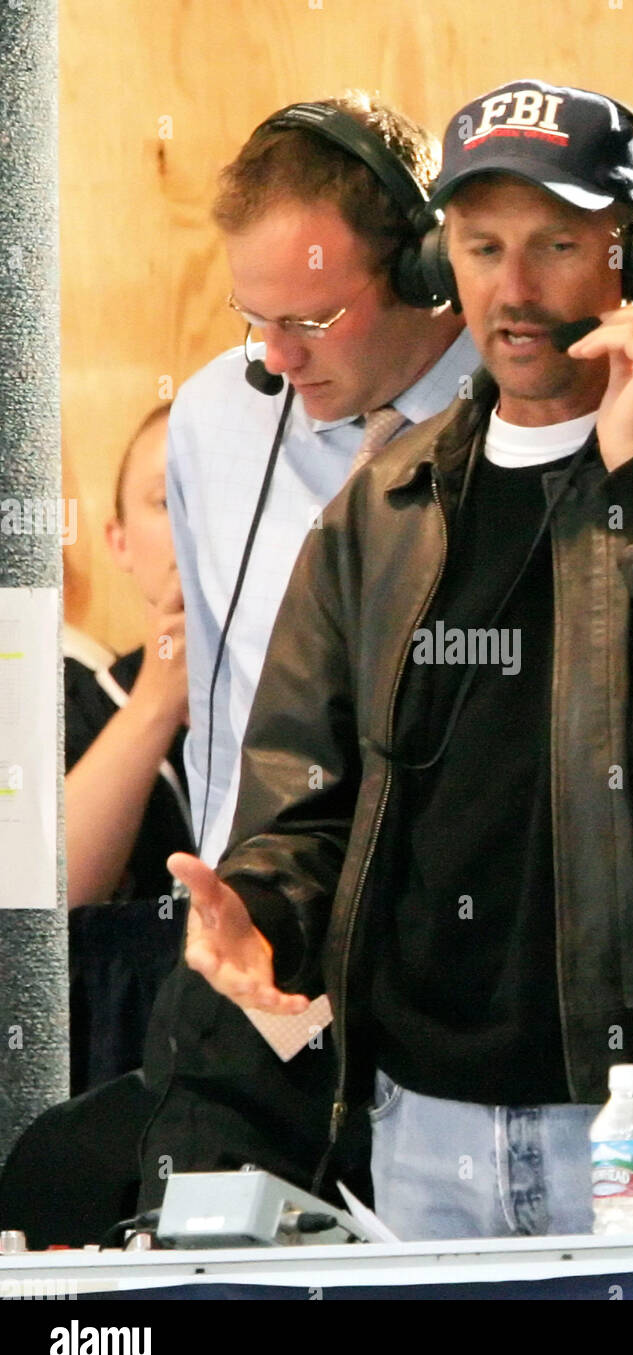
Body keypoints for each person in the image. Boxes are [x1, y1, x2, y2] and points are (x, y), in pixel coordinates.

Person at [170, 78, 633, 1239]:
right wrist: (262, 910)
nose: (515, 287)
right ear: (443, 264)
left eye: (557, 245)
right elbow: (310, 795)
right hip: (424, 1126)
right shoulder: (384, 502)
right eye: (481, 246)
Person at [137, 91, 478, 1209]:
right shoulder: (210, 417)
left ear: (427, 274)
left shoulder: (518, 413)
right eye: (254, 317)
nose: (275, 357)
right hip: (247, 959)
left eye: (314, 322)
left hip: (442, 987)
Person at [65, 402, 192, 1091]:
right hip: (116, 1097)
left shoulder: (331, 701)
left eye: (217, 490)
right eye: (167, 498)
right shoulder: (71, 703)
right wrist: (159, 700)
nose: (197, 521)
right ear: (117, 542)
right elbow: (42, 902)